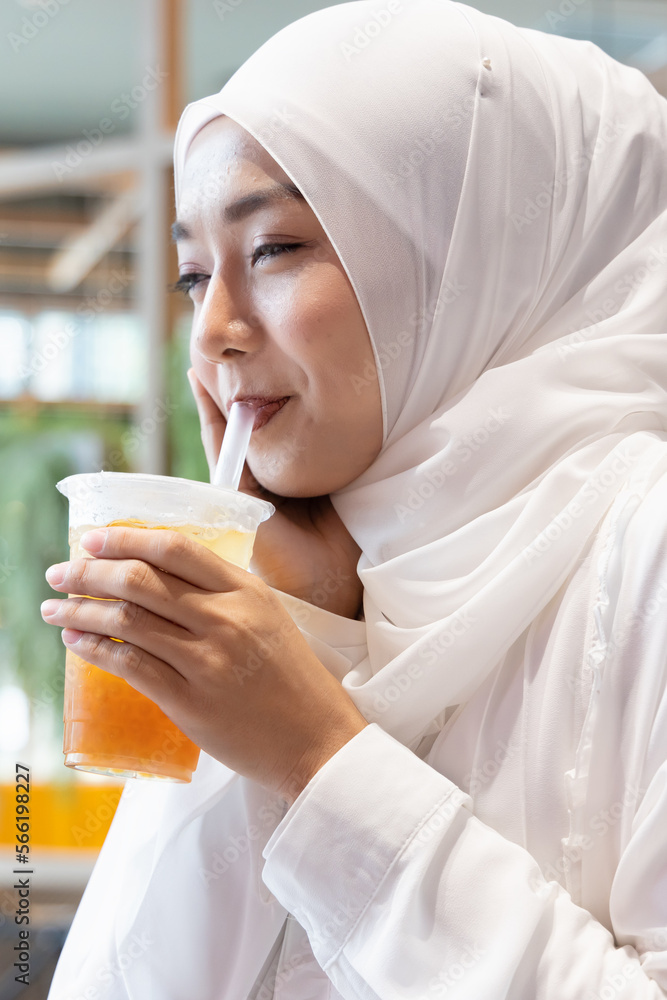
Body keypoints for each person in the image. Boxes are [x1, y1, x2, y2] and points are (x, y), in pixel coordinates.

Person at [42, 0, 667, 996]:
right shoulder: (342, 572)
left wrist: (316, 756)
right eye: (194, 274)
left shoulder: (643, 554)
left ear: (467, 250)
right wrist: (307, 615)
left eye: (275, 249)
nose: (211, 332)